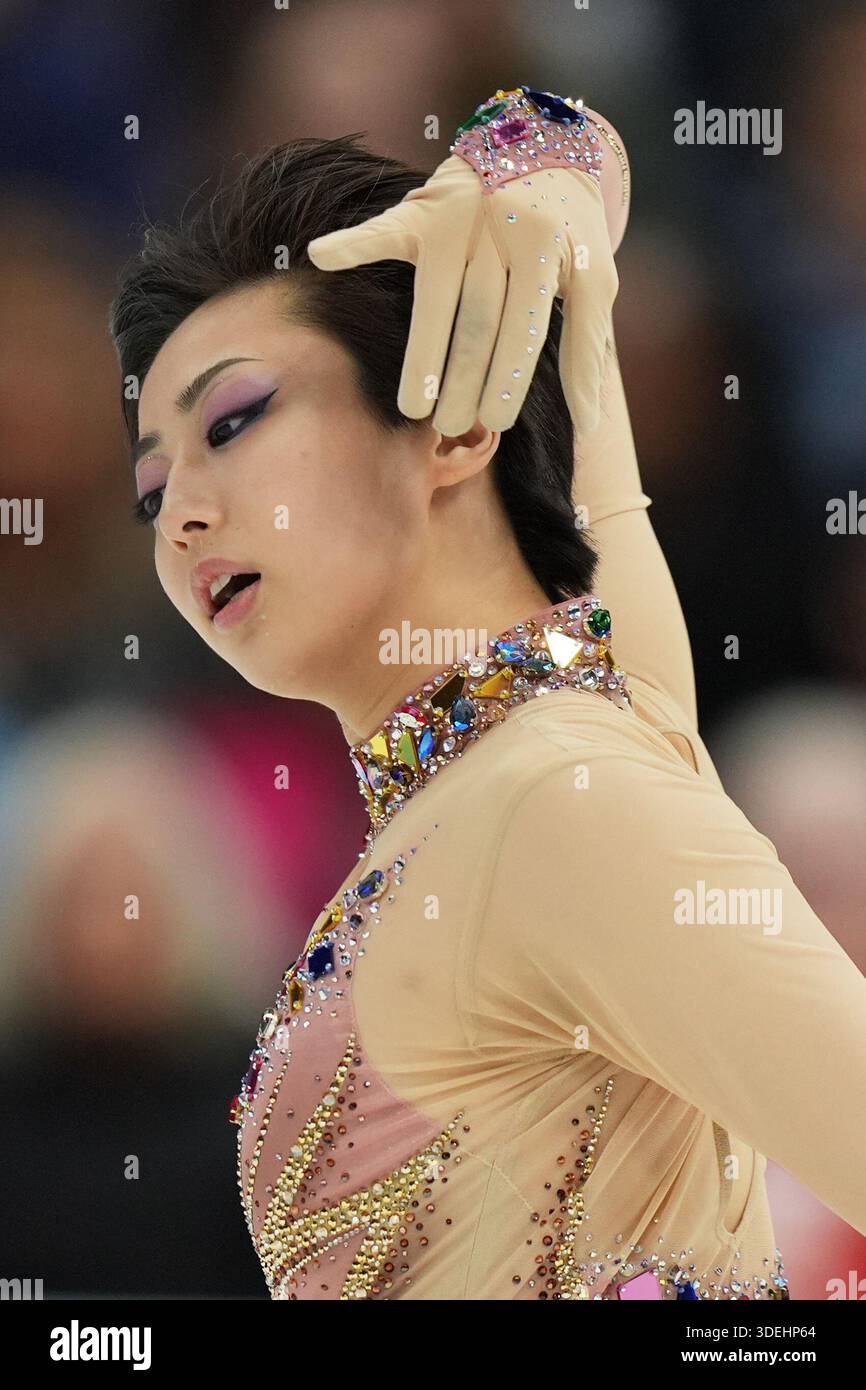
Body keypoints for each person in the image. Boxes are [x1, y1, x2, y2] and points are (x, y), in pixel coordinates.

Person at [109, 85, 866, 1301]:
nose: (183, 511)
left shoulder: (562, 798)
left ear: (453, 430)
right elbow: (586, 431)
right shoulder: (547, 747)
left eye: (235, 421)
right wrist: (553, 174)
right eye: (154, 493)